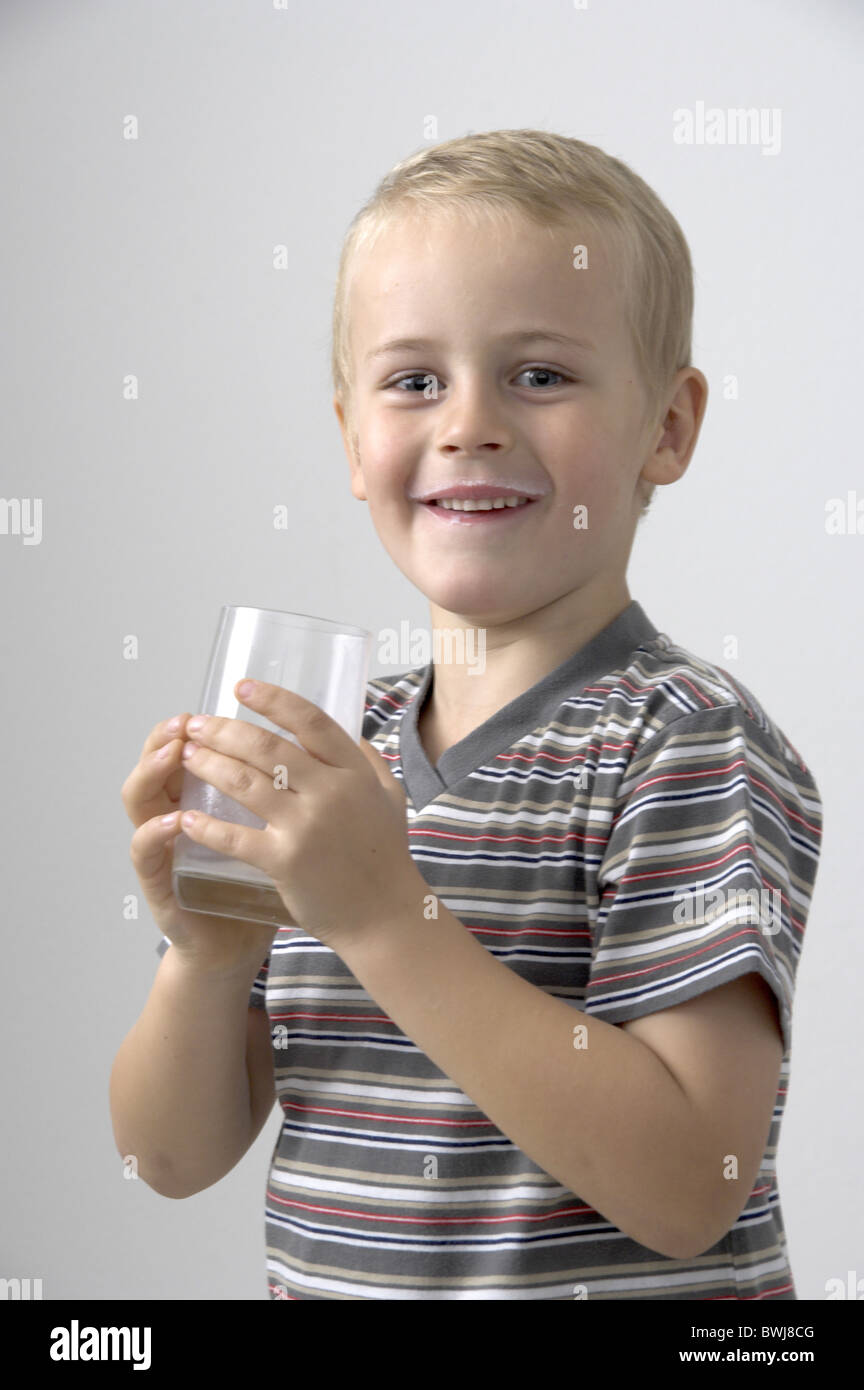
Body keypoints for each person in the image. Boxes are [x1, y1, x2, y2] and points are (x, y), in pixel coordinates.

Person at [112, 129, 822, 1300]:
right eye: (414, 381)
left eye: (539, 374)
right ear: (352, 437)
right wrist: (207, 952)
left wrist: (385, 914)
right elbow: (169, 1158)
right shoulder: (325, 763)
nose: (469, 424)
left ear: (669, 426)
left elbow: (698, 1180)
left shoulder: (683, 738)